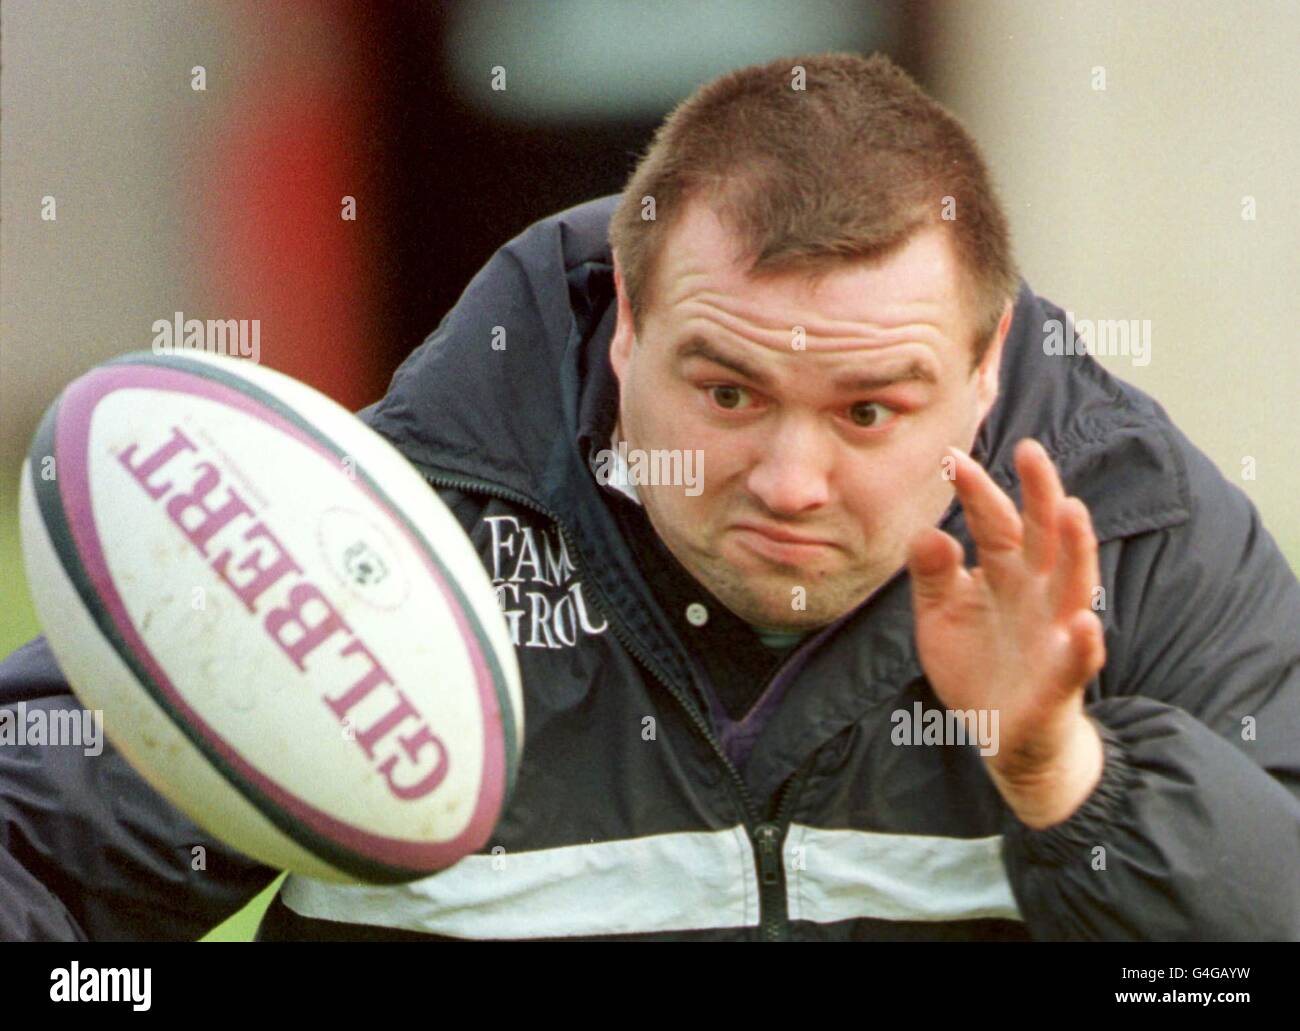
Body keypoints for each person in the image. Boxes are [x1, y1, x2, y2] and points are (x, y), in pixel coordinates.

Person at [2, 51, 1297, 941]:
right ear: (626, 324)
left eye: (868, 411)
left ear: (984, 365)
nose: (790, 482)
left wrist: (1065, 771)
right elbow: (33, 851)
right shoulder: (384, 524)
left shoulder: (1132, 548)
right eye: (726, 393)